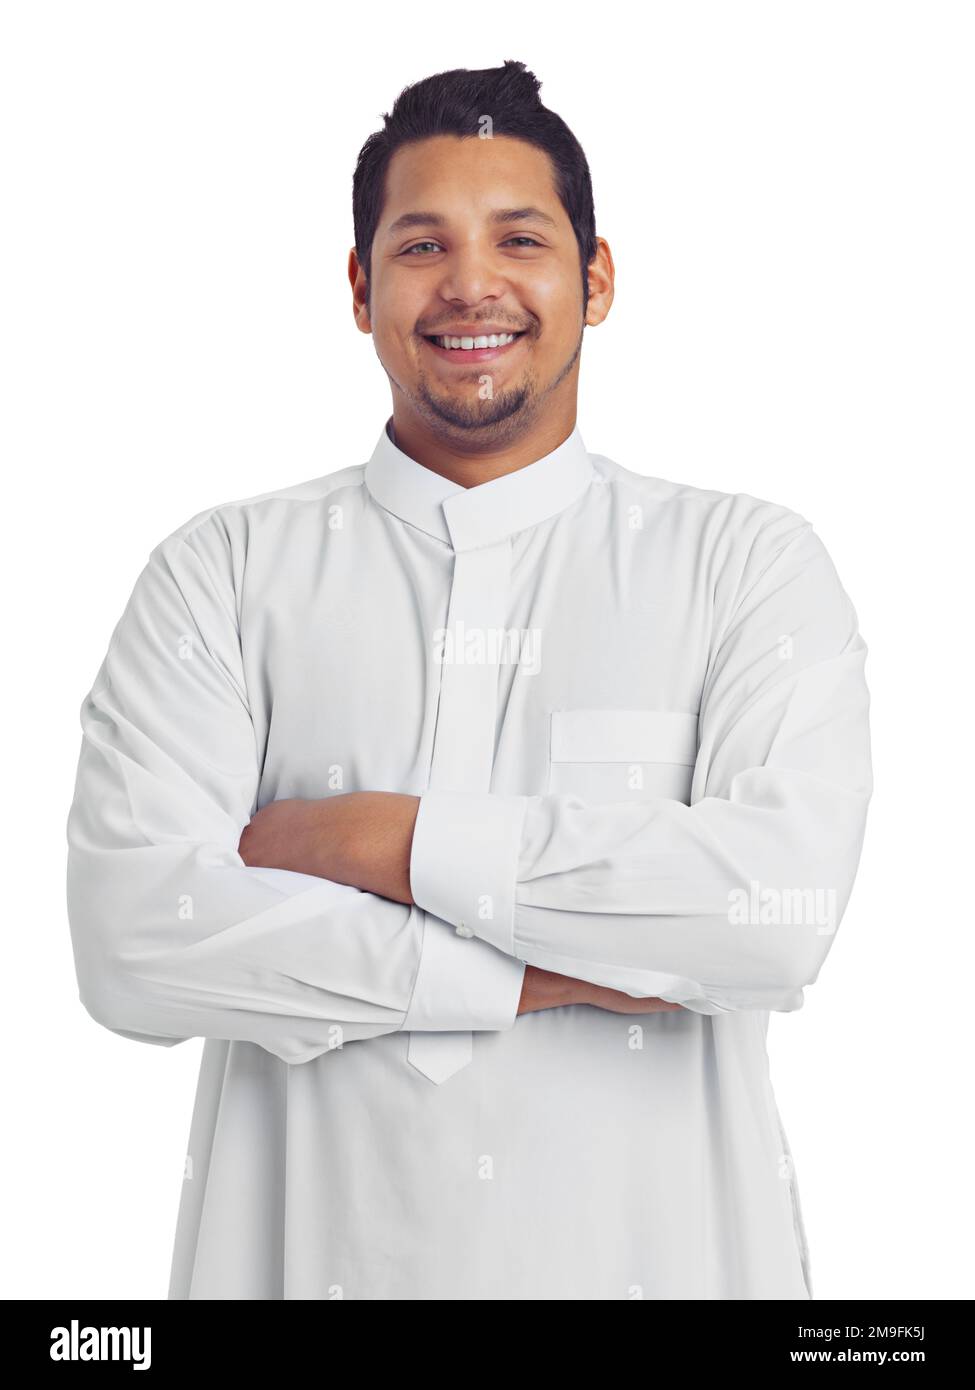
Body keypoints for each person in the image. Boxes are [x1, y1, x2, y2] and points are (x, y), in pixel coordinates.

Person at [65, 58, 872, 1300]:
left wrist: (370, 838)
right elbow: (133, 941)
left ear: (596, 280)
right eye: (422, 244)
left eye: (521, 239)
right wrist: (540, 969)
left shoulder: (745, 564)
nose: (471, 286)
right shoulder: (222, 574)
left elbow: (774, 915)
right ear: (359, 288)